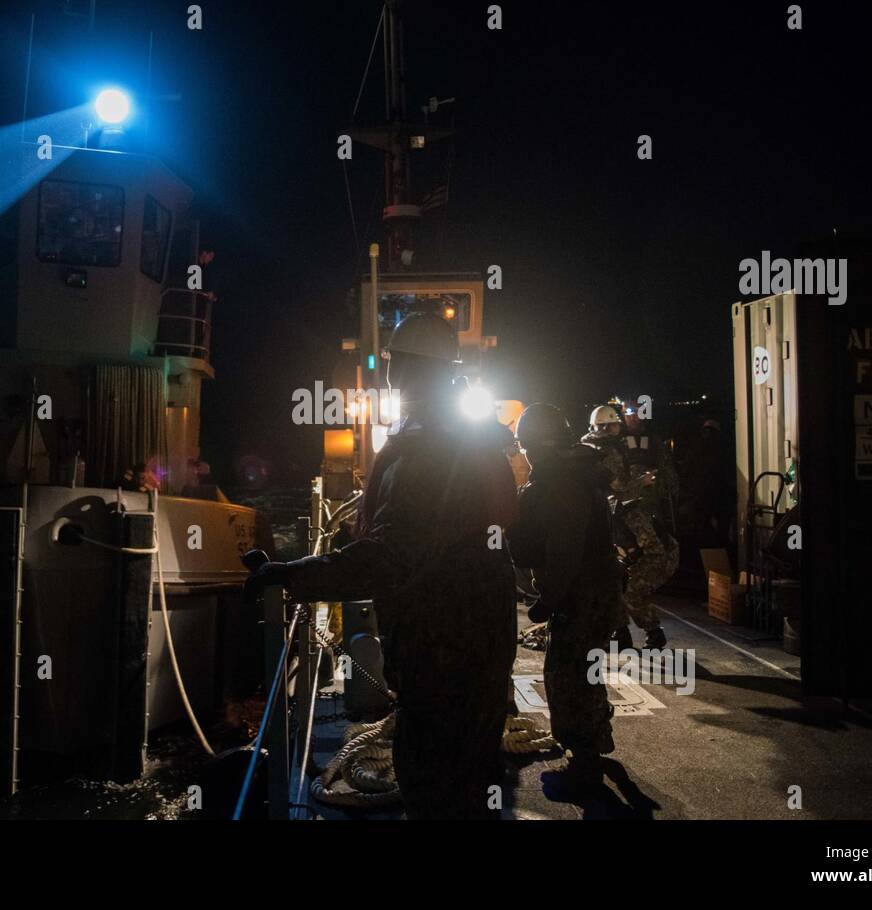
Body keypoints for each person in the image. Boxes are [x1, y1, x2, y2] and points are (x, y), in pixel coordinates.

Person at [246, 313, 518, 819]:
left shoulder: (429, 452)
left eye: (393, 364)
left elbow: (391, 556)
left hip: (443, 648)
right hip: (476, 639)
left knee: (435, 785)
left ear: (400, 372)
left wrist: (294, 575)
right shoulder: (459, 437)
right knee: (472, 779)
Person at [510, 404, 623, 792]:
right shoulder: (571, 474)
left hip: (583, 595)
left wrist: (548, 601)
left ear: (537, 444)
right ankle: (595, 741)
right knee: (585, 670)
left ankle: (584, 762)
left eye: (525, 445)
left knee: (566, 675)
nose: (523, 452)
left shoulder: (564, 483)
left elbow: (565, 549)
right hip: (595, 592)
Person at [582, 403, 678, 651]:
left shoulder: (590, 449)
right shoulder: (609, 453)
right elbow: (620, 490)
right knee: (623, 588)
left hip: (632, 538)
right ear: (609, 427)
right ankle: (637, 633)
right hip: (638, 536)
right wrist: (642, 482)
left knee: (619, 584)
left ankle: (629, 634)